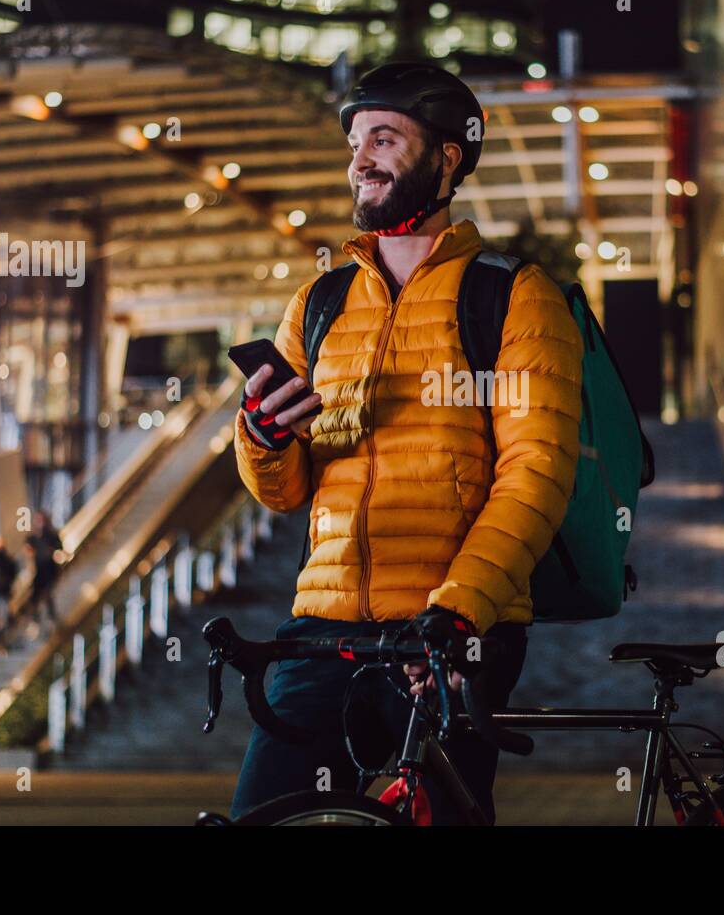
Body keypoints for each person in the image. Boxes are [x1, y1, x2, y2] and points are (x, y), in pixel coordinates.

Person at [230, 62, 583, 823]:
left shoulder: (514, 294)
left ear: (448, 157)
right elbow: (285, 488)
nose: (361, 159)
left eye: (384, 138)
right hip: (325, 626)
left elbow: (536, 471)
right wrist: (262, 434)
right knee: (270, 811)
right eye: (356, 142)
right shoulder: (320, 303)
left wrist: (458, 611)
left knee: (439, 814)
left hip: (453, 626)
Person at [25, 512, 63, 628]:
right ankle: (37, 618)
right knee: (35, 596)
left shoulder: (50, 535)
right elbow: (28, 549)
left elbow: (59, 547)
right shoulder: (33, 537)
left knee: (47, 594)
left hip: (49, 569)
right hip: (39, 571)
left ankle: (51, 617)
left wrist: (52, 551)